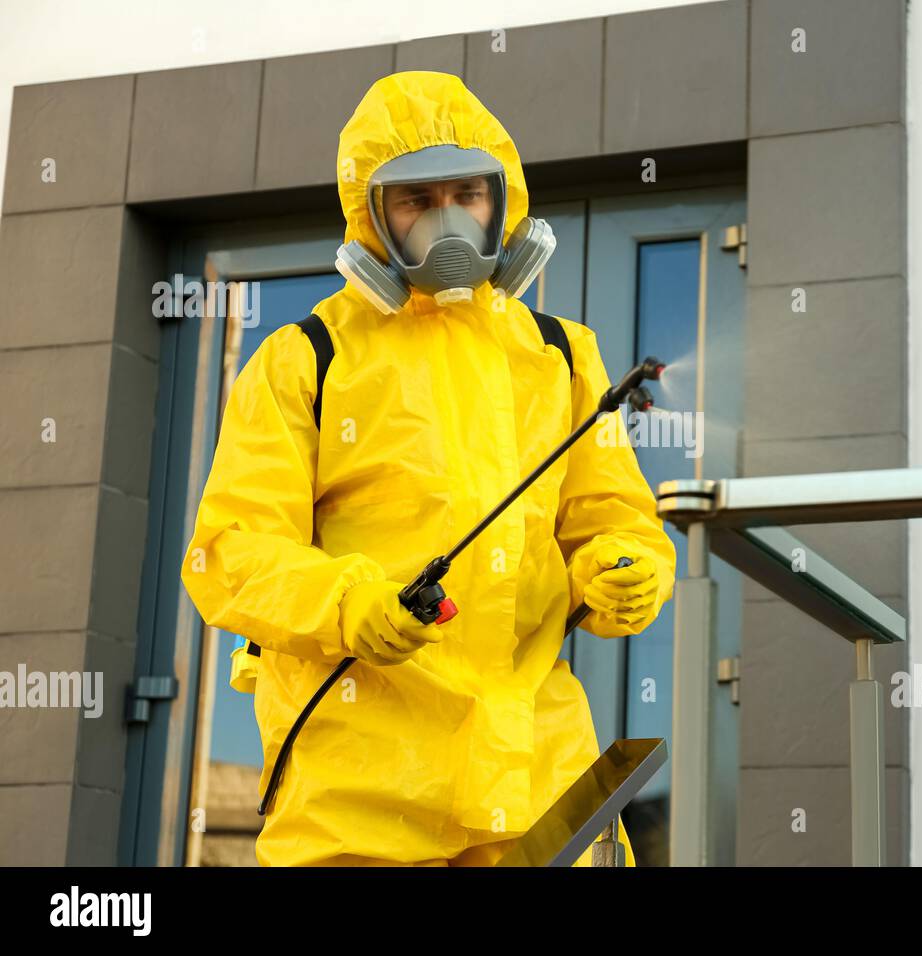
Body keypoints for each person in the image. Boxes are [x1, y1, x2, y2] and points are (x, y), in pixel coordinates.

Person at [180, 71, 676, 866]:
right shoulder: (307, 359)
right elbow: (229, 554)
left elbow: (614, 517)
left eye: (466, 193)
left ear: (501, 199)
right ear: (370, 216)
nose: (446, 221)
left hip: (533, 772)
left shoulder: (561, 356)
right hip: (356, 789)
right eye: (415, 200)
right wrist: (353, 605)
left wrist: (625, 568)